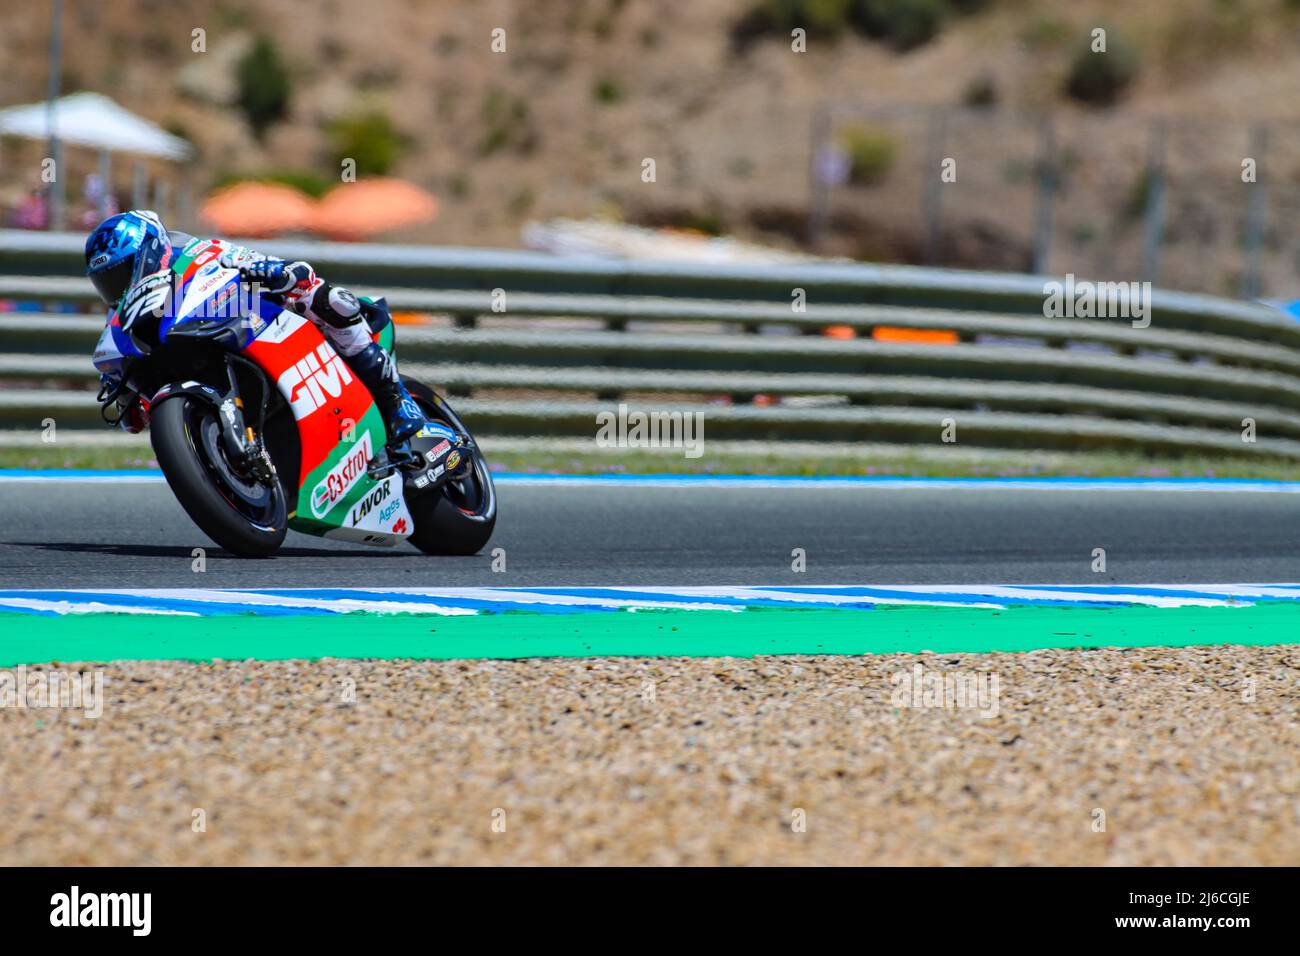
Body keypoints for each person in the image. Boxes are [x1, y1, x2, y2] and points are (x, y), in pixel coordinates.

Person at [84, 209, 433, 448]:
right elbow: (132, 422)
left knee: (326, 298)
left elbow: (281, 269)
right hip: (195, 355)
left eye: (122, 273)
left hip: (251, 314)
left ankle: (396, 401)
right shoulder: (120, 322)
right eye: (107, 282)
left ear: (150, 253)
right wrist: (123, 387)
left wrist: (276, 273)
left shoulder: (198, 252)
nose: (118, 288)